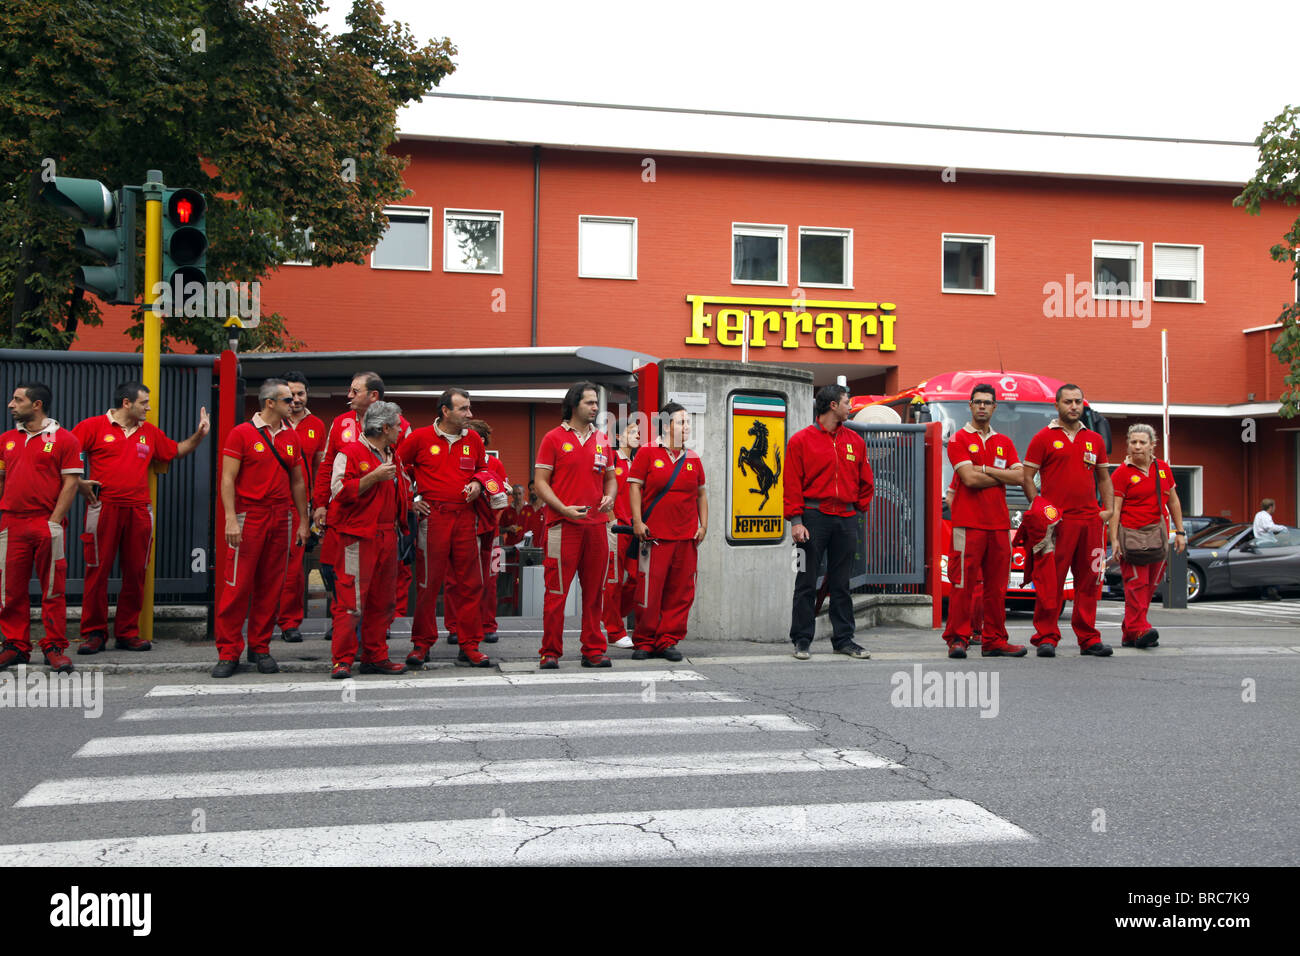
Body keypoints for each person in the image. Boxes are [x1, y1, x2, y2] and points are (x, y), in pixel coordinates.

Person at [72, 382, 209, 655]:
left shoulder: (150, 433)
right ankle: (94, 633)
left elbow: (175, 451)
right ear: (126, 403)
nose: (148, 407)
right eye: (144, 402)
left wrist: (199, 435)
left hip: (139, 510)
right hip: (103, 507)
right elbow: (68, 452)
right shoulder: (92, 426)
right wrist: (78, 482)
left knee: (136, 574)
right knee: (96, 572)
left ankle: (126, 632)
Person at [212, 379, 309, 678]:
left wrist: (303, 520)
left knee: (271, 587)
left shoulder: (291, 437)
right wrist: (230, 518)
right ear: (269, 402)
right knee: (237, 587)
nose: (292, 403)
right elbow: (227, 478)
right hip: (249, 516)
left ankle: (260, 647)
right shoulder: (241, 433)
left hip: (282, 517)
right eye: (286, 399)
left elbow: (298, 481)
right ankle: (229, 651)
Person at [398, 388, 492, 668]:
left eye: (469, 408)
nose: (469, 414)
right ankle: (421, 644)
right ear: (445, 411)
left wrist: (477, 481)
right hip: (433, 517)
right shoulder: (419, 438)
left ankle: (469, 644)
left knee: (471, 584)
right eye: (463, 409)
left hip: (466, 517)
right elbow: (398, 468)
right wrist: (410, 501)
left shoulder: (474, 439)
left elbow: (485, 469)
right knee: (428, 585)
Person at [311, 372, 411, 633]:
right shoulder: (340, 423)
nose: (349, 396)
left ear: (373, 395)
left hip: (383, 523)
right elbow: (327, 467)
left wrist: (412, 503)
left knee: (380, 584)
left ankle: (373, 632)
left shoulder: (400, 426)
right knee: (336, 571)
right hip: (347, 518)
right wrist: (320, 503)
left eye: (355, 391)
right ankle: (346, 625)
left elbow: (408, 470)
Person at [1020, 383, 1115, 657]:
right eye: (1068, 402)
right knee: (1052, 581)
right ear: (1057, 405)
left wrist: (1107, 510)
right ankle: (1046, 636)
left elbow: (1104, 478)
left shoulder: (1095, 440)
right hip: (1057, 523)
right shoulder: (1043, 438)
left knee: (1089, 581)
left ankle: (1088, 639)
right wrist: (1040, 509)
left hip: (1090, 522)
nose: (1074, 407)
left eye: (1078, 401)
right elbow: (1027, 477)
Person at [784, 384, 874, 661]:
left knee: (841, 583)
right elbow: (791, 484)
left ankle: (844, 640)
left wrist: (858, 507)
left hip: (846, 520)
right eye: (847, 402)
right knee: (805, 580)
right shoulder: (800, 440)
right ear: (832, 405)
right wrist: (796, 521)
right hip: (811, 519)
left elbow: (866, 480)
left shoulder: (855, 441)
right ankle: (801, 640)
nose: (851, 407)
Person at [533, 381, 617, 669]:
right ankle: (550, 651)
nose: (595, 408)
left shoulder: (603, 440)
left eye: (596, 403)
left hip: (596, 527)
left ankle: (593, 650)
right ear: (573, 405)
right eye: (589, 403)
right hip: (562, 526)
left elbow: (611, 479)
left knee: (595, 592)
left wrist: (610, 496)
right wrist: (564, 509)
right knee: (556, 592)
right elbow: (541, 484)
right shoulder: (553, 438)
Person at [0, 383, 82, 674]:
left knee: (52, 589)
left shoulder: (64, 439)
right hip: (11, 523)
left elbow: (71, 482)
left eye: (17, 400)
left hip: (46, 522)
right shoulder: (6, 439)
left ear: (37, 405)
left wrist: (54, 521)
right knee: (9, 590)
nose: (11, 404)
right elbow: (1, 478)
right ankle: (15, 646)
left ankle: (54, 648)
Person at [326, 401, 410, 677]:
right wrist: (372, 477)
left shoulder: (392, 454)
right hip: (357, 537)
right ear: (385, 428)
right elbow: (338, 491)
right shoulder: (349, 453)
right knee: (351, 601)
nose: (401, 430)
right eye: (398, 426)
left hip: (387, 535)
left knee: (383, 601)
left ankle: (375, 656)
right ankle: (343, 659)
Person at [942, 384, 1027, 659]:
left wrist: (985, 469)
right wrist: (1001, 473)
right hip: (968, 525)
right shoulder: (958, 440)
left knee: (997, 588)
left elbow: (1021, 477)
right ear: (970, 405)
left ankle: (994, 641)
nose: (982, 406)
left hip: (1000, 525)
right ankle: (958, 639)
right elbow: (969, 479)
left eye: (987, 402)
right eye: (977, 402)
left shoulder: (1005, 442)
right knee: (962, 584)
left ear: (994, 407)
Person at [628, 404, 706, 661]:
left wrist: (703, 525)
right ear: (666, 425)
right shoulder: (647, 453)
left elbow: (701, 494)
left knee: (681, 593)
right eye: (682, 422)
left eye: (688, 423)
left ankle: (668, 640)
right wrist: (637, 521)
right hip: (654, 537)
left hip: (685, 538)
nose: (687, 428)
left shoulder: (693, 457)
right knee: (648, 591)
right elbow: (635, 488)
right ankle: (645, 640)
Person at [1109, 424, 1186, 648]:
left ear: (1153, 445)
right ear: (1128, 444)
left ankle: (1130, 632)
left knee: (1150, 585)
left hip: (1157, 537)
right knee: (1136, 585)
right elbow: (1114, 509)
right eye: (1133, 442)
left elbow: (1173, 501)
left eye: (1142, 442)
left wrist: (1180, 532)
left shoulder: (1163, 468)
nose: (1137, 446)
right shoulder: (1121, 473)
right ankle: (1140, 629)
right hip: (1131, 538)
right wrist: (1113, 540)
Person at [443, 419, 509, 644]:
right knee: (454, 581)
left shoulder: (495, 465)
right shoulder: (455, 461)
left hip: (492, 534)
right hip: (461, 530)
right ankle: (454, 627)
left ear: (480, 440)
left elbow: (501, 500)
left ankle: (487, 624)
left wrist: (493, 526)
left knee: (490, 581)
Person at [277, 370, 326, 643]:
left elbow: (319, 468)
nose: (295, 399)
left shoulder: (316, 425)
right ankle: (263, 622)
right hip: (268, 503)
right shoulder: (270, 423)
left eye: (300, 394)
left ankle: (289, 622)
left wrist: (316, 505)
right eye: (290, 394)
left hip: (299, 506)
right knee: (267, 566)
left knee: (294, 570)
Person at [604, 417, 641, 649]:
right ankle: (614, 630)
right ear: (619, 437)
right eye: (632, 431)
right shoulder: (611, 459)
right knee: (613, 581)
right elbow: (602, 491)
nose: (638, 435)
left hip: (635, 530)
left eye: (639, 432)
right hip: (615, 528)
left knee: (637, 579)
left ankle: (612, 615)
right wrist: (611, 522)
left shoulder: (638, 462)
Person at [1250, 498, 1287, 600]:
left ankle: (1265, 592)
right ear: (1271, 507)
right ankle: (1272, 589)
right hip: (1267, 544)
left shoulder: (1258, 515)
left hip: (1260, 543)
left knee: (1265, 568)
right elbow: (1269, 527)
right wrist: (1283, 528)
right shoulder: (1266, 516)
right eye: (1274, 506)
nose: (1275, 508)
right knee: (1275, 567)